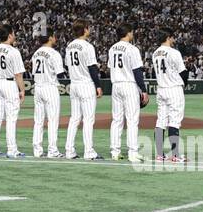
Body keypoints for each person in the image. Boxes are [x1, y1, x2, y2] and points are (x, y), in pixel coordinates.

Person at [107, 25, 148, 163]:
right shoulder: (132, 49)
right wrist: (143, 90)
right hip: (129, 85)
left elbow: (109, 68)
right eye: (132, 31)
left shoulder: (112, 48)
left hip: (116, 85)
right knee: (132, 120)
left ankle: (115, 151)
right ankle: (133, 153)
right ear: (128, 33)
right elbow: (137, 72)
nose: (133, 34)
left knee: (116, 120)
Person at [63, 20, 102, 160]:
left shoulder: (69, 46)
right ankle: (89, 151)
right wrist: (98, 85)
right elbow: (92, 68)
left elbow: (67, 65)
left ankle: (69, 151)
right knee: (88, 119)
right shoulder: (87, 46)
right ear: (85, 30)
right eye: (88, 28)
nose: (89, 30)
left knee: (74, 118)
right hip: (85, 84)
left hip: (74, 84)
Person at [0, 25, 25, 159]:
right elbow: (18, 74)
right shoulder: (14, 51)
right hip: (9, 83)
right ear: (9, 35)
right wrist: (22, 90)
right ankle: (12, 149)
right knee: (11, 118)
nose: (14, 36)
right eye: (13, 33)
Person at [151, 31, 188, 162]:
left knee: (160, 121)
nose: (174, 38)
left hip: (161, 89)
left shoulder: (155, 53)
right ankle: (176, 155)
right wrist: (184, 85)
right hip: (173, 89)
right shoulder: (174, 52)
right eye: (172, 36)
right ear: (168, 37)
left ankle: (160, 154)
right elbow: (183, 72)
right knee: (174, 121)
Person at [30, 32, 64, 158]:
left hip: (38, 87)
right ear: (50, 38)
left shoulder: (36, 53)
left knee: (38, 121)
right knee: (52, 120)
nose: (56, 38)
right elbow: (60, 75)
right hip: (50, 87)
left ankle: (37, 150)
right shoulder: (54, 53)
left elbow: (33, 72)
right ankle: (52, 150)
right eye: (54, 36)